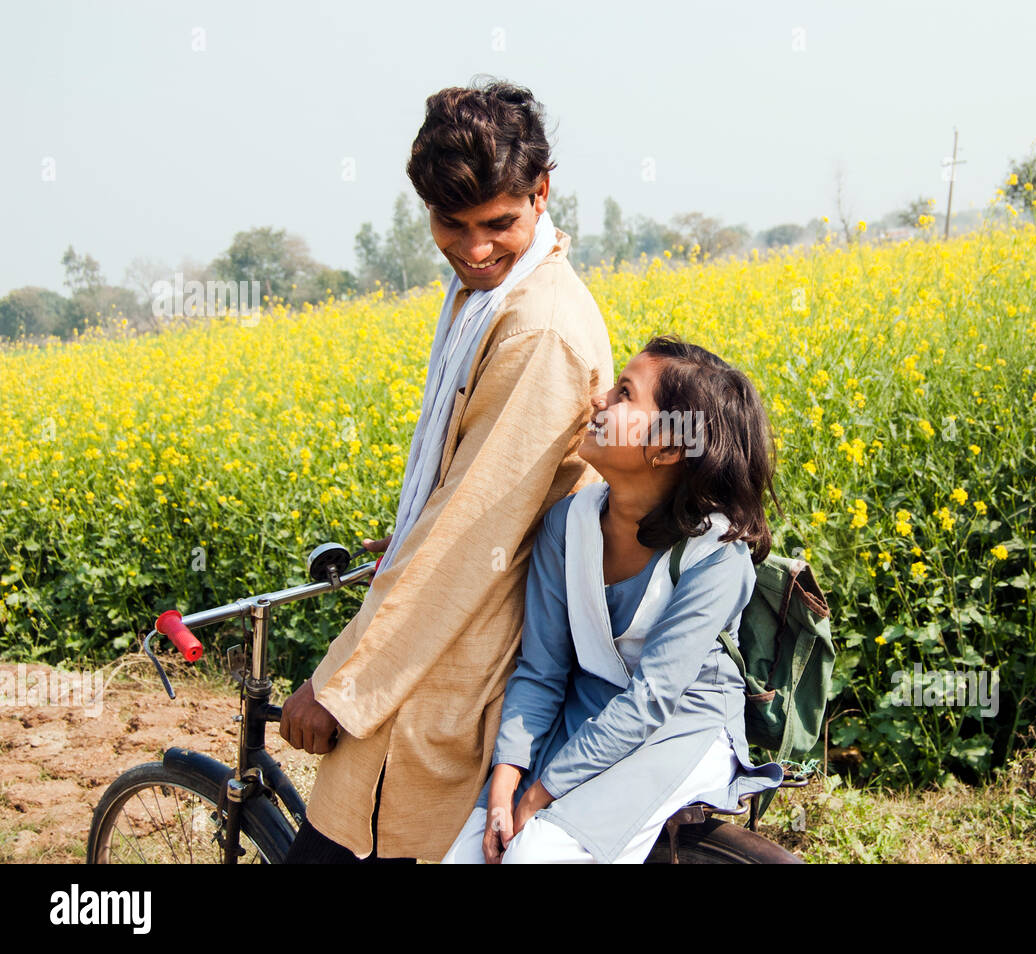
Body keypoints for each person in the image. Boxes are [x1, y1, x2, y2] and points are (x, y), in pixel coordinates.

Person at [278, 77, 614, 862]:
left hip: (466, 664)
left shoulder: (540, 329)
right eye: (450, 225)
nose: (475, 249)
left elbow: (467, 538)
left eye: (498, 223)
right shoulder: (489, 294)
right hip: (443, 635)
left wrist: (341, 683)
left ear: (542, 193)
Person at [441, 335, 786, 864]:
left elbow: (653, 699)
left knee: (538, 853)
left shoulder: (716, 557)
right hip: (589, 709)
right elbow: (541, 670)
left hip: (681, 725)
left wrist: (540, 794)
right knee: (466, 852)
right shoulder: (568, 525)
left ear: (670, 447)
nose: (599, 400)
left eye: (625, 393)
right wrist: (506, 781)